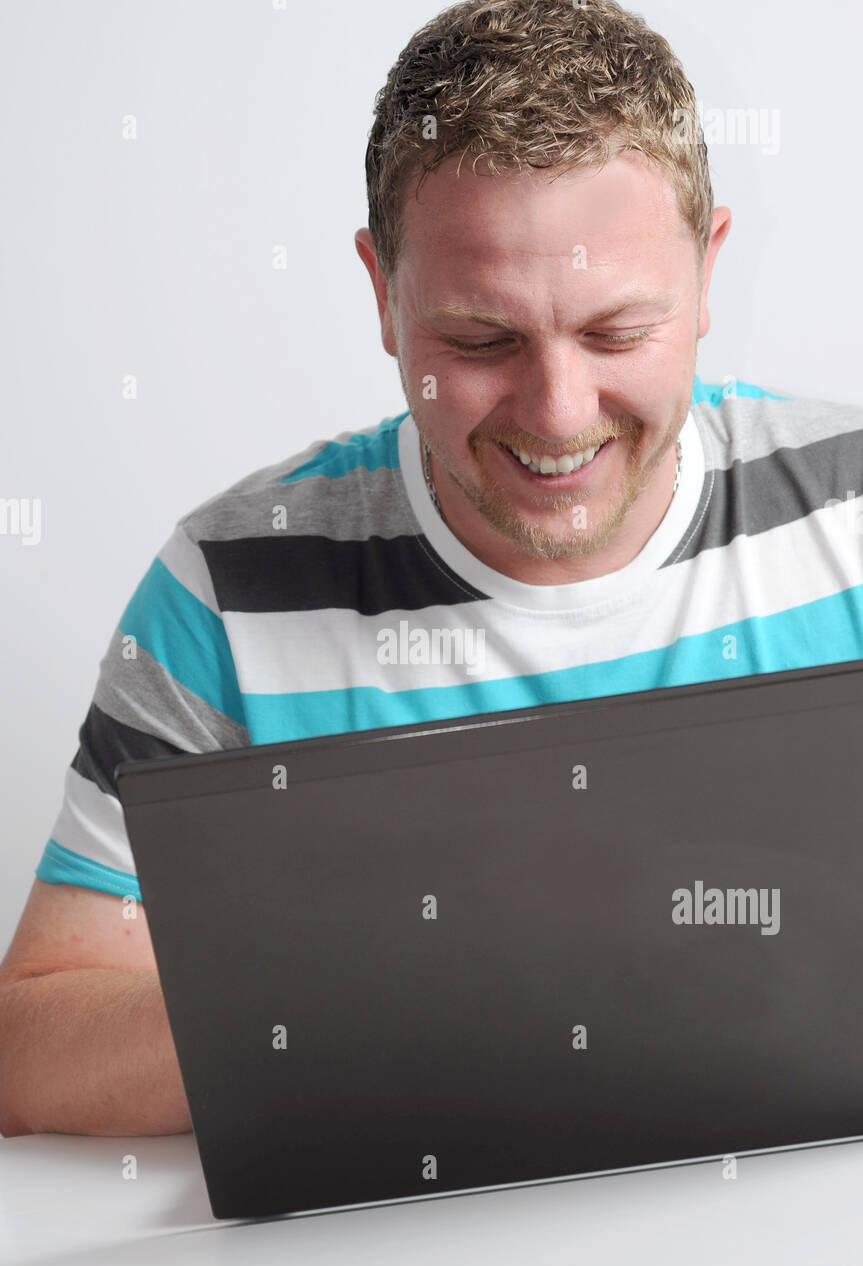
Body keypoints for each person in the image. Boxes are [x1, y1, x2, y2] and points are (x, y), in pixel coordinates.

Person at [2, 0, 861, 1138]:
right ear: (381, 292)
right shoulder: (228, 586)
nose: (558, 415)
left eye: (614, 333)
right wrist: (426, 987)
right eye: (478, 340)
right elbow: (32, 1047)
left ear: (705, 276)